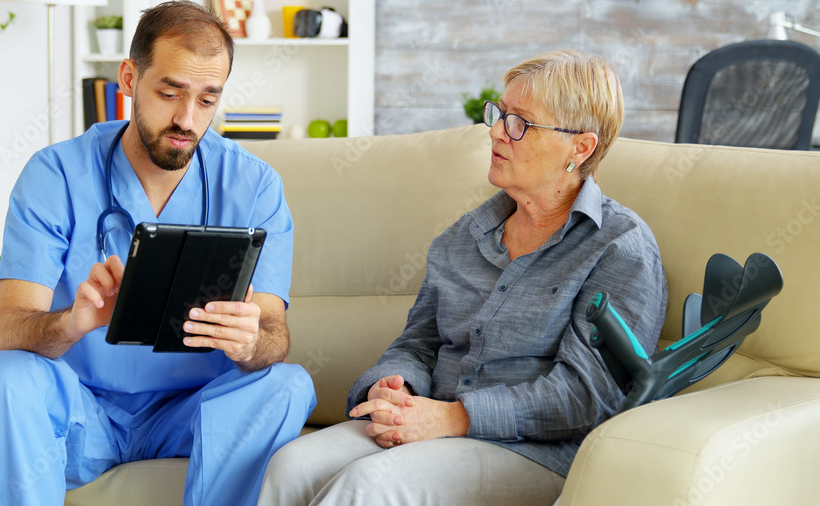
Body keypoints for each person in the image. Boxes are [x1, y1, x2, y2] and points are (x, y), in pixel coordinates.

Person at [257, 50, 668, 506]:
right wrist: (396, 385)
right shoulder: (463, 237)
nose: (495, 131)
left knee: (369, 488)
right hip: (433, 426)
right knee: (290, 465)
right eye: (500, 114)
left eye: (520, 123)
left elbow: (588, 395)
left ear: (580, 147)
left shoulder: (619, 246)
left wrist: (454, 418)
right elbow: (416, 345)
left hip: (536, 454)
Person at [0, 1, 316, 506]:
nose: (186, 119)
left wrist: (247, 344)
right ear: (129, 78)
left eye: (207, 100)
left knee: (286, 385)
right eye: (169, 93)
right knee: (2, 376)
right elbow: (5, 330)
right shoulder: (55, 175)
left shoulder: (255, 186)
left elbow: (273, 337)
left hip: (193, 417)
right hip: (84, 413)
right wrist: (71, 323)